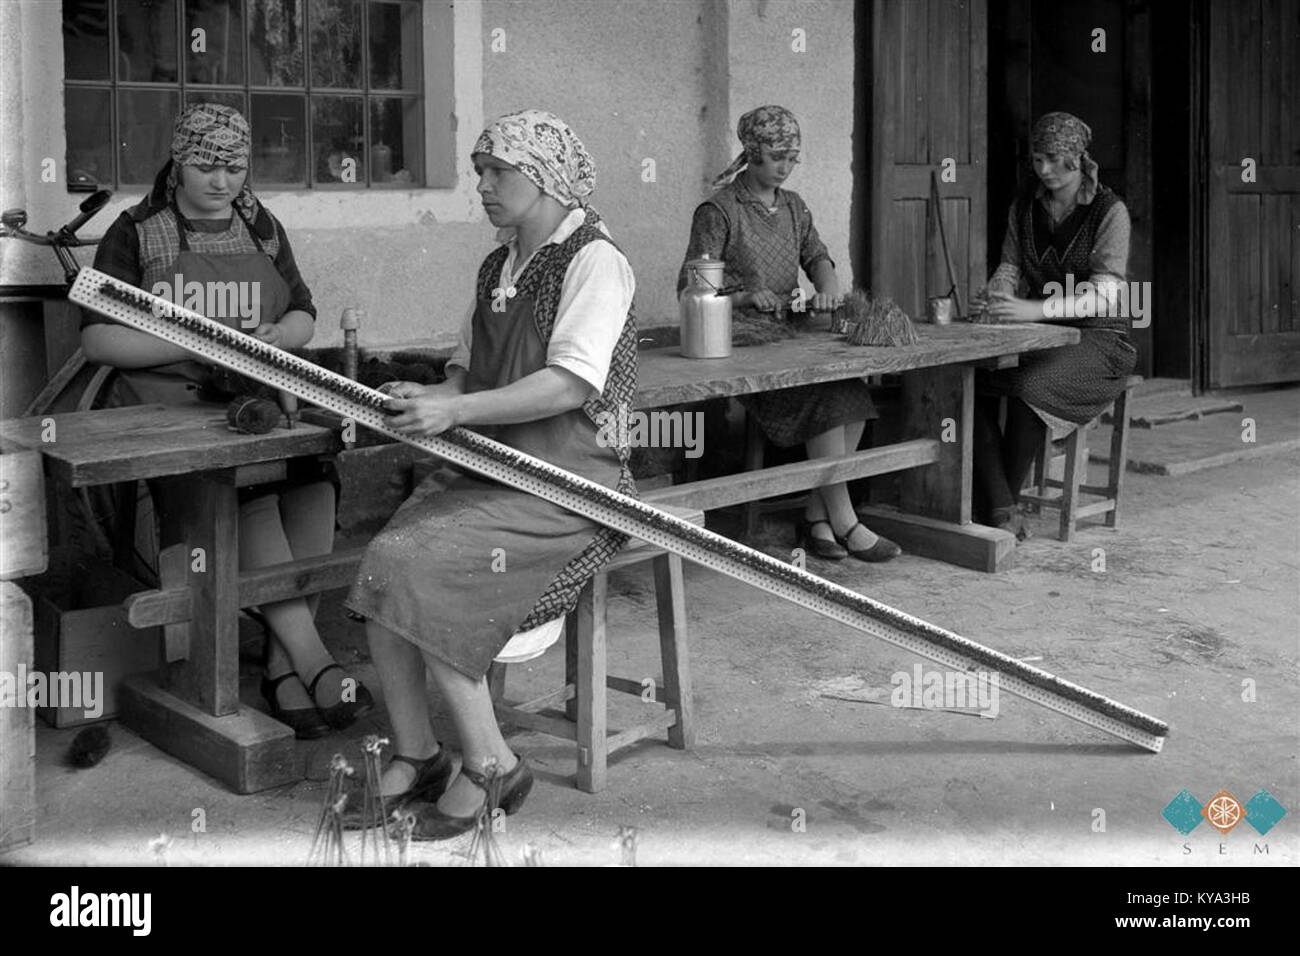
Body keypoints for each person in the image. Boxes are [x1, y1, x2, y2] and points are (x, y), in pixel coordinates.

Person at [342, 110, 637, 839]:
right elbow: (467, 375)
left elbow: (571, 384)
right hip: (494, 466)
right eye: (480, 172)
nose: (483, 186)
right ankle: (418, 754)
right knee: (383, 565)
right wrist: (432, 400)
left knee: (433, 570)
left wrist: (460, 409)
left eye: (497, 171)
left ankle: (493, 767)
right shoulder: (499, 266)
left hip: (568, 480)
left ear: (541, 177)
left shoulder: (594, 261)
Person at [80, 103, 372, 739]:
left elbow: (303, 312)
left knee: (314, 475)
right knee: (251, 488)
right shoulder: (138, 231)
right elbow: (99, 341)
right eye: (207, 166)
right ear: (178, 160)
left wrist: (278, 336)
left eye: (235, 167)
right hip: (170, 410)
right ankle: (315, 660)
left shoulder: (261, 225)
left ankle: (281, 667)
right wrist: (191, 342)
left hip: (252, 399)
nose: (222, 181)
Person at [677, 105, 899, 562]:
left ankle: (817, 518)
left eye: (792, 158)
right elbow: (692, 287)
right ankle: (846, 521)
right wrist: (742, 297)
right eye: (777, 156)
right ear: (753, 153)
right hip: (738, 341)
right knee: (825, 401)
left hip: (787, 333)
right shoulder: (719, 210)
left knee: (852, 398)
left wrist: (827, 291)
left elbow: (818, 257)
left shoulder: (794, 206)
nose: (785, 166)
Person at [972, 112, 1138, 538]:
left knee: (1032, 386)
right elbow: (1010, 265)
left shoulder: (1109, 211)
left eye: (1052, 159)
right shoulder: (1025, 207)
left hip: (1101, 339)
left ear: (1077, 160)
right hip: (1043, 334)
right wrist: (999, 297)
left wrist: (1031, 310)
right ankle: (1001, 505)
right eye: (1037, 159)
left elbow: (1105, 294)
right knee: (972, 381)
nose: (1043, 170)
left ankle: (994, 509)